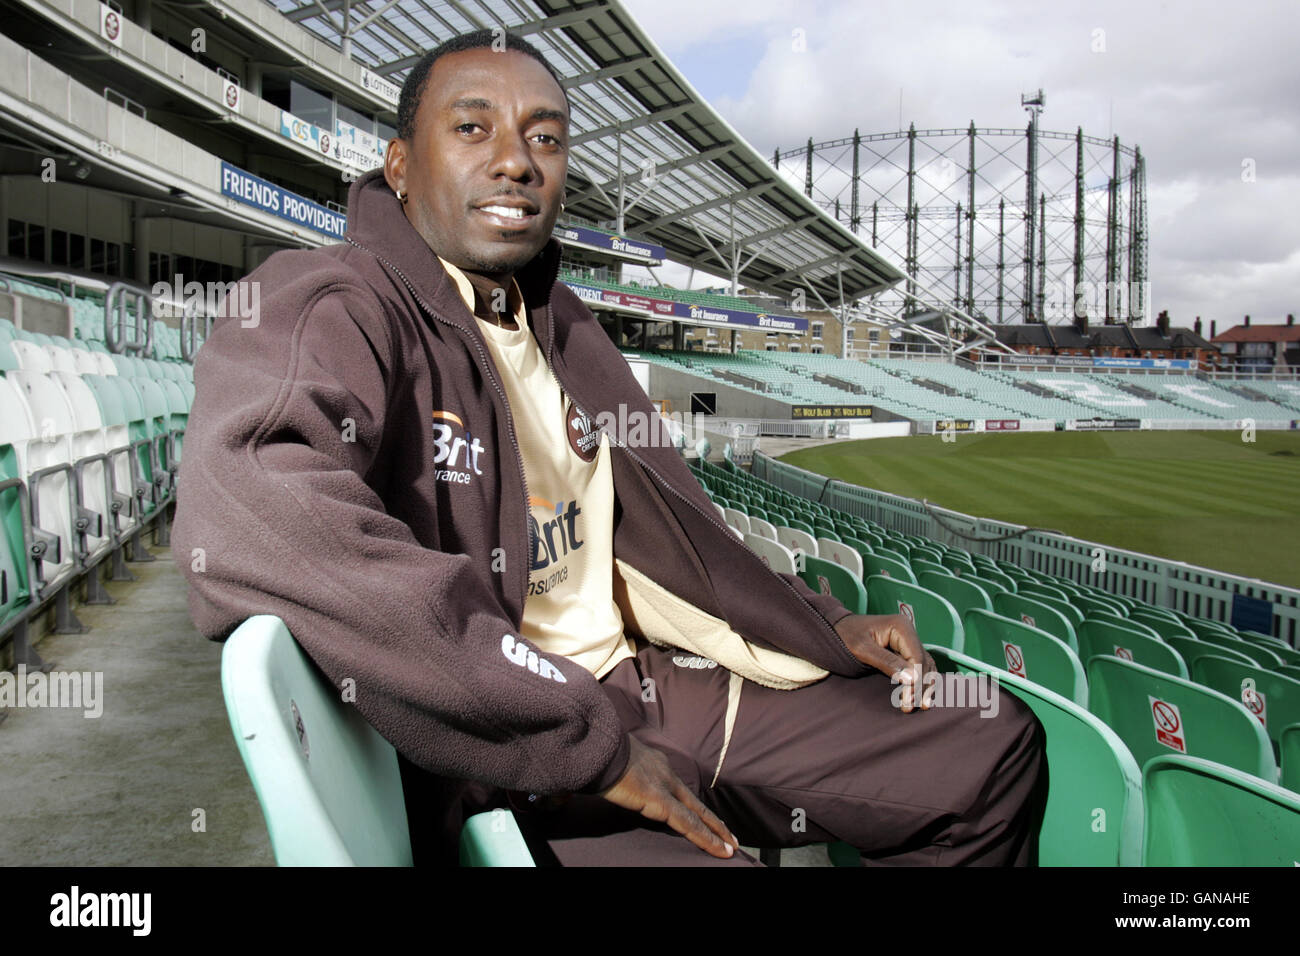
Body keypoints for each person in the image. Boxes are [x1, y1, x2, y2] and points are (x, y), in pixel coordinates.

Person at [173, 29, 1046, 866]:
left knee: (990, 747)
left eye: (544, 137)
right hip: (517, 753)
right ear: (399, 165)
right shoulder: (333, 300)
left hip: (647, 686)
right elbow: (253, 512)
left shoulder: (561, 323)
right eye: (472, 127)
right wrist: (585, 745)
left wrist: (825, 622)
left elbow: (680, 537)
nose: (516, 159)